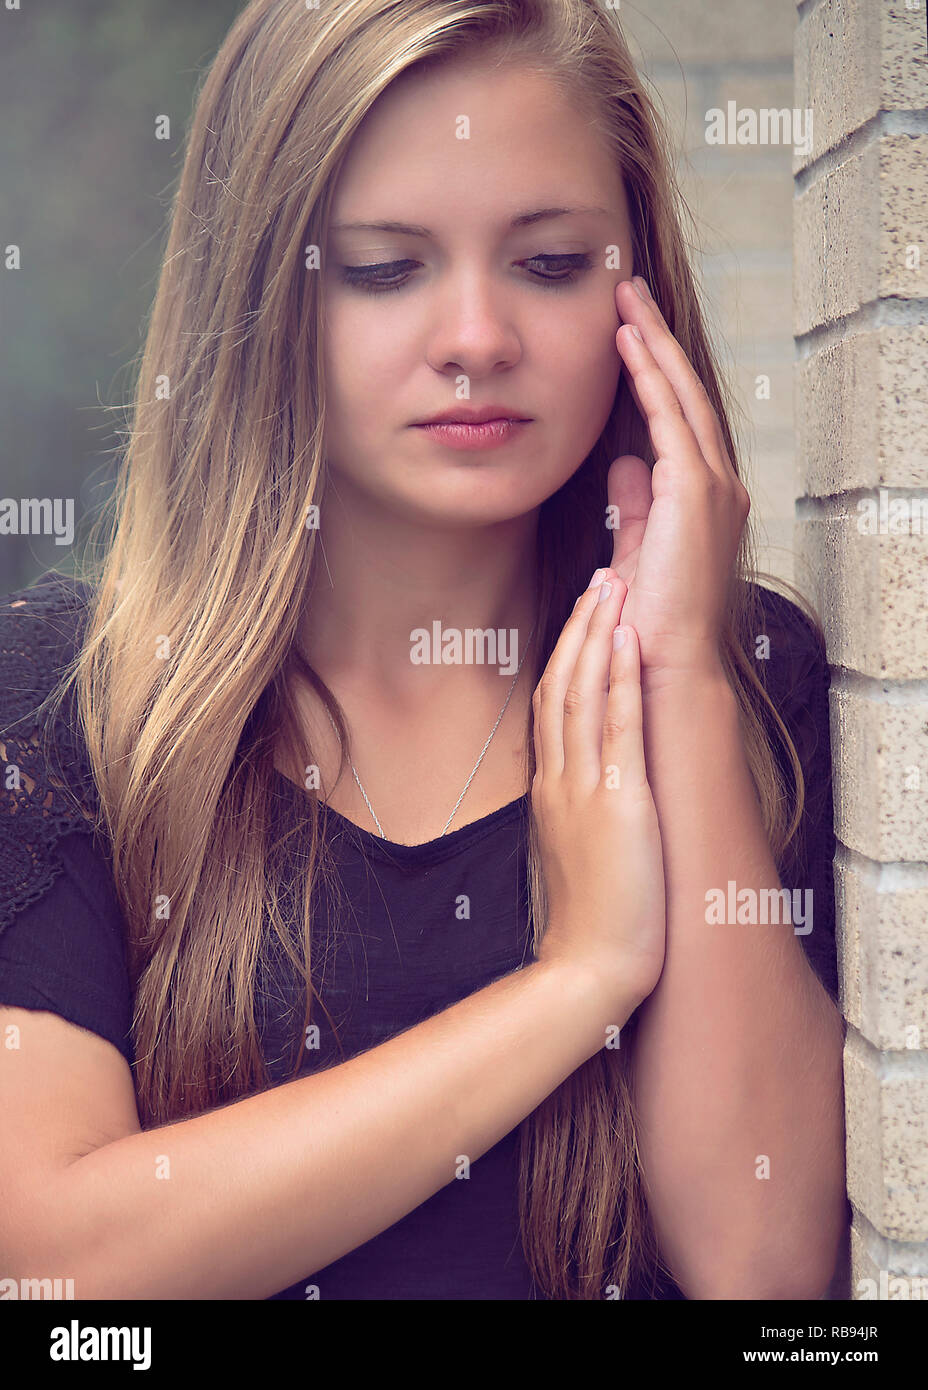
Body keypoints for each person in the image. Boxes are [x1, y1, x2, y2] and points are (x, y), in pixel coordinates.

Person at [0, 0, 848, 1300]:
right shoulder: (74, 699)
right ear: (262, 295)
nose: (476, 340)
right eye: (388, 267)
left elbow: (767, 1276)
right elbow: (57, 1261)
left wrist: (680, 673)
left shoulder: (753, 677)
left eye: (551, 263)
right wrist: (579, 982)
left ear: (641, 295)